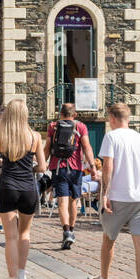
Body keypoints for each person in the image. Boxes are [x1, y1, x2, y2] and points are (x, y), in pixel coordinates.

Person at [86, 103, 140, 279]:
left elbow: (108, 166)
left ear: (112, 118)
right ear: (129, 118)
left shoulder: (111, 137)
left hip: (118, 197)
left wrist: (105, 193)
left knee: (109, 239)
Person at [0, 98, 47, 279]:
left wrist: (0, 163)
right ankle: (22, 274)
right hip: (28, 188)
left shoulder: (0, 136)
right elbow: (43, 167)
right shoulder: (34, 136)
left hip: (7, 187)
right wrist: (30, 167)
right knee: (25, 233)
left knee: (10, 237)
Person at [45, 103, 96, 250]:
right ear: (74, 115)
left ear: (60, 113)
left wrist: (42, 163)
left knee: (62, 201)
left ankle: (66, 231)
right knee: (74, 201)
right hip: (75, 169)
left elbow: (47, 148)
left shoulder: (53, 126)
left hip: (58, 167)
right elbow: (86, 147)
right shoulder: (80, 127)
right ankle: (72, 231)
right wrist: (92, 166)